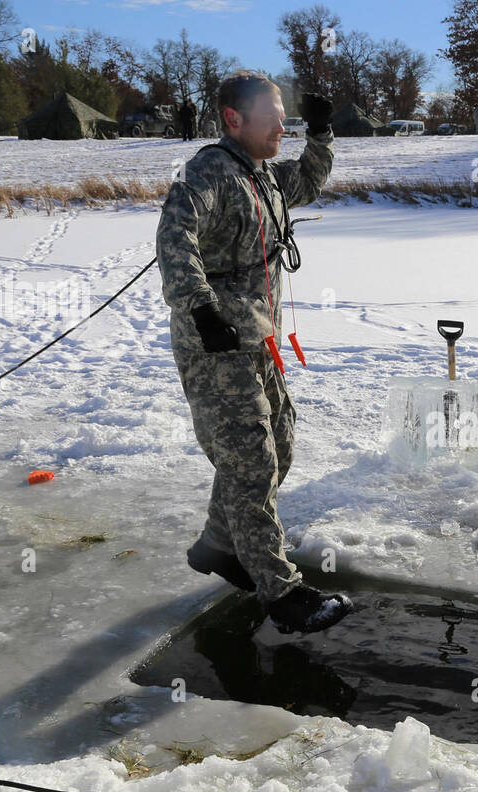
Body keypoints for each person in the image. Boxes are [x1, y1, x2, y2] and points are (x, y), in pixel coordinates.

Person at [157, 72, 352, 634]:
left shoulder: (262, 174)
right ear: (234, 119)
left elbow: (310, 181)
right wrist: (200, 307)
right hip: (216, 343)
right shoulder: (210, 171)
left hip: (259, 336)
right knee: (251, 461)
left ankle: (220, 545)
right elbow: (175, 236)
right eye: (274, 119)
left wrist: (321, 132)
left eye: (285, 117)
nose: (281, 128)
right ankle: (282, 592)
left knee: (281, 443)